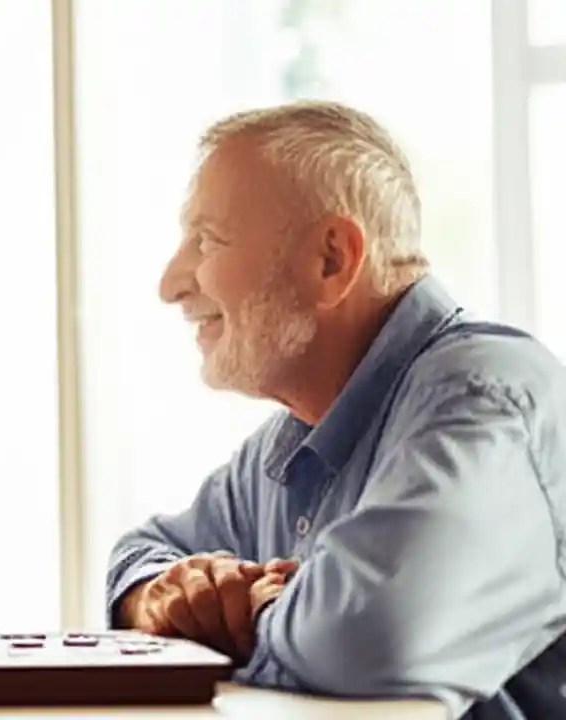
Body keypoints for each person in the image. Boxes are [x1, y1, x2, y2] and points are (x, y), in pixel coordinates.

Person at [106, 100, 566, 720]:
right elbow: (149, 549)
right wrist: (157, 598)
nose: (171, 284)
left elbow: (370, 634)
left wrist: (253, 612)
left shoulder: (482, 399)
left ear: (332, 260)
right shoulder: (295, 439)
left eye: (206, 241)